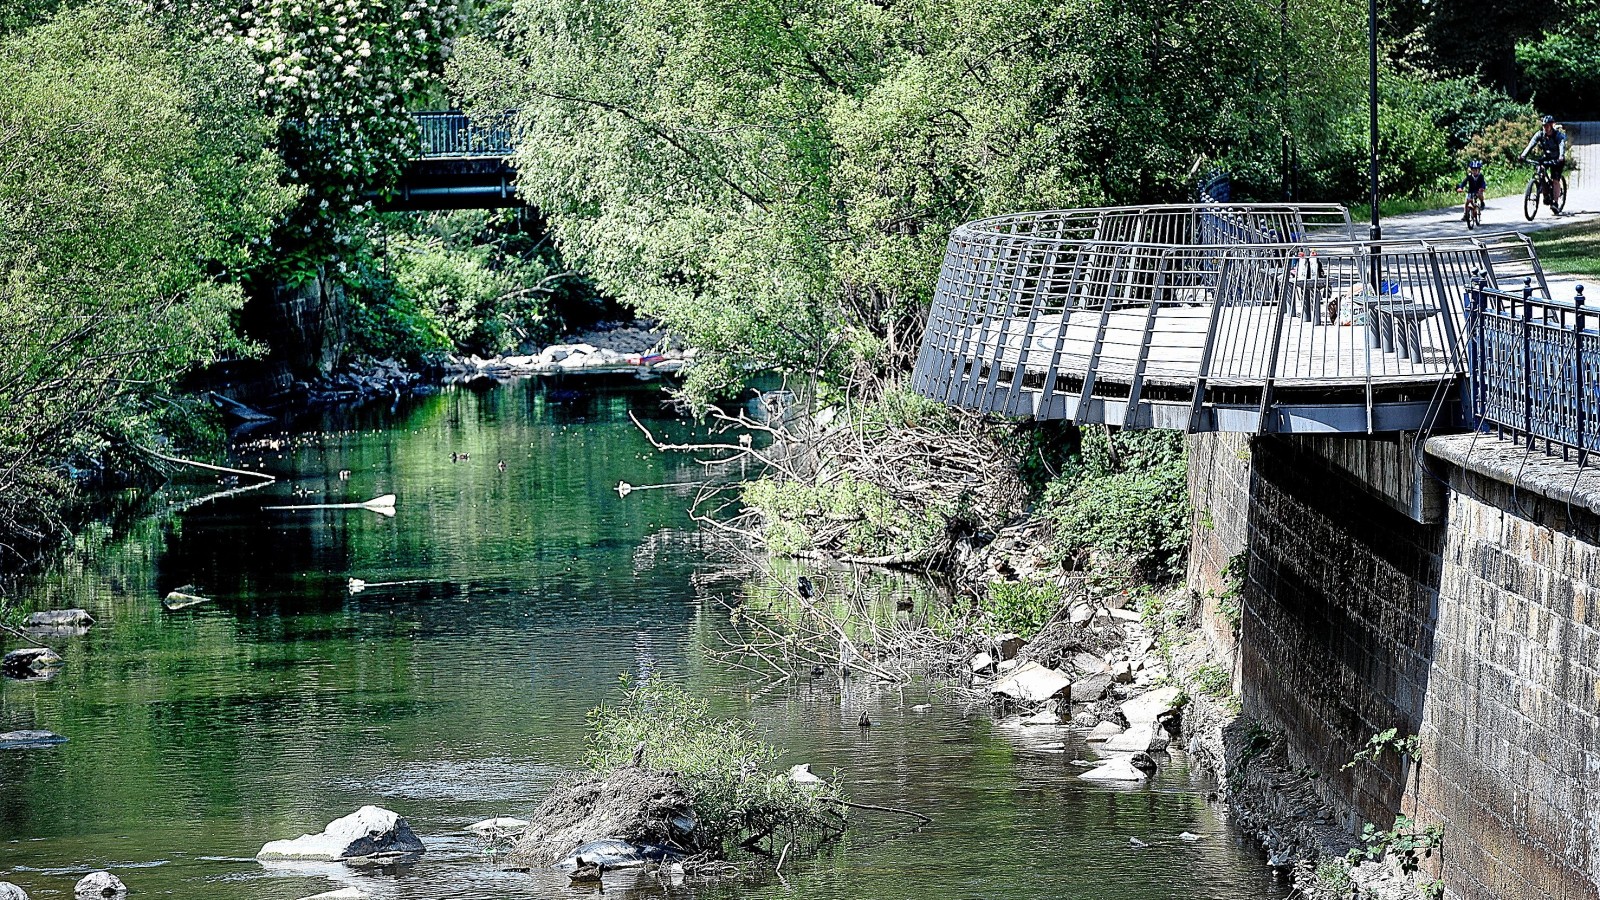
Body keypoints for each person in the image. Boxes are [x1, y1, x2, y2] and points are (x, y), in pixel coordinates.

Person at [1521, 115, 1569, 211]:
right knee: (1540, 172)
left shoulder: (1557, 135)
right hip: (1546, 158)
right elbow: (1531, 144)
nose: (1545, 128)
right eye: (1544, 126)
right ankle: (1546, 195)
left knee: (1555, 179)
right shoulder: (1540, 134)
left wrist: (1561, 156)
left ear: (1551, 126)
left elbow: (1561, 145)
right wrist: (1523, 155)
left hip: (1557, 159)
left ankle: (1555, 202)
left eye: (1547, 126)